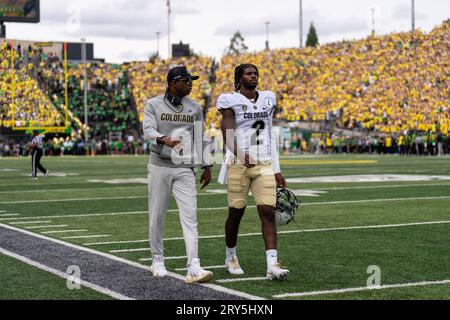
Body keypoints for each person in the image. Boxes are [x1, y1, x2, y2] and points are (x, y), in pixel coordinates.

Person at [217, 64, 289, 280]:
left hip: (264, 163)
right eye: (249, 73)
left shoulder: (268, 98)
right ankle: (230, 256)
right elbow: (227, 133)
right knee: (236, 212)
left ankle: (272, 264)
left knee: (268, 212)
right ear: (239, 78)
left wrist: (277, 169)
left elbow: (268, 135)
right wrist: (239, 153)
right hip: (238, 164)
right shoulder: (231, 100)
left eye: (256, 73)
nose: (254, 76)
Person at [143, 66, 214, 284]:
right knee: (157, 214)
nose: (191, 84)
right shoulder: (153, 104)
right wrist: (164, 139)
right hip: (160, 165)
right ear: (173, 83)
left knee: (190, 216)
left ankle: (193, 265)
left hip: (185, 167)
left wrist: (207, 165)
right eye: (186, 80)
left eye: (191, 80)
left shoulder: (194, 107)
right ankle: (157, 260)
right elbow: (147, 131)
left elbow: (201, 136)